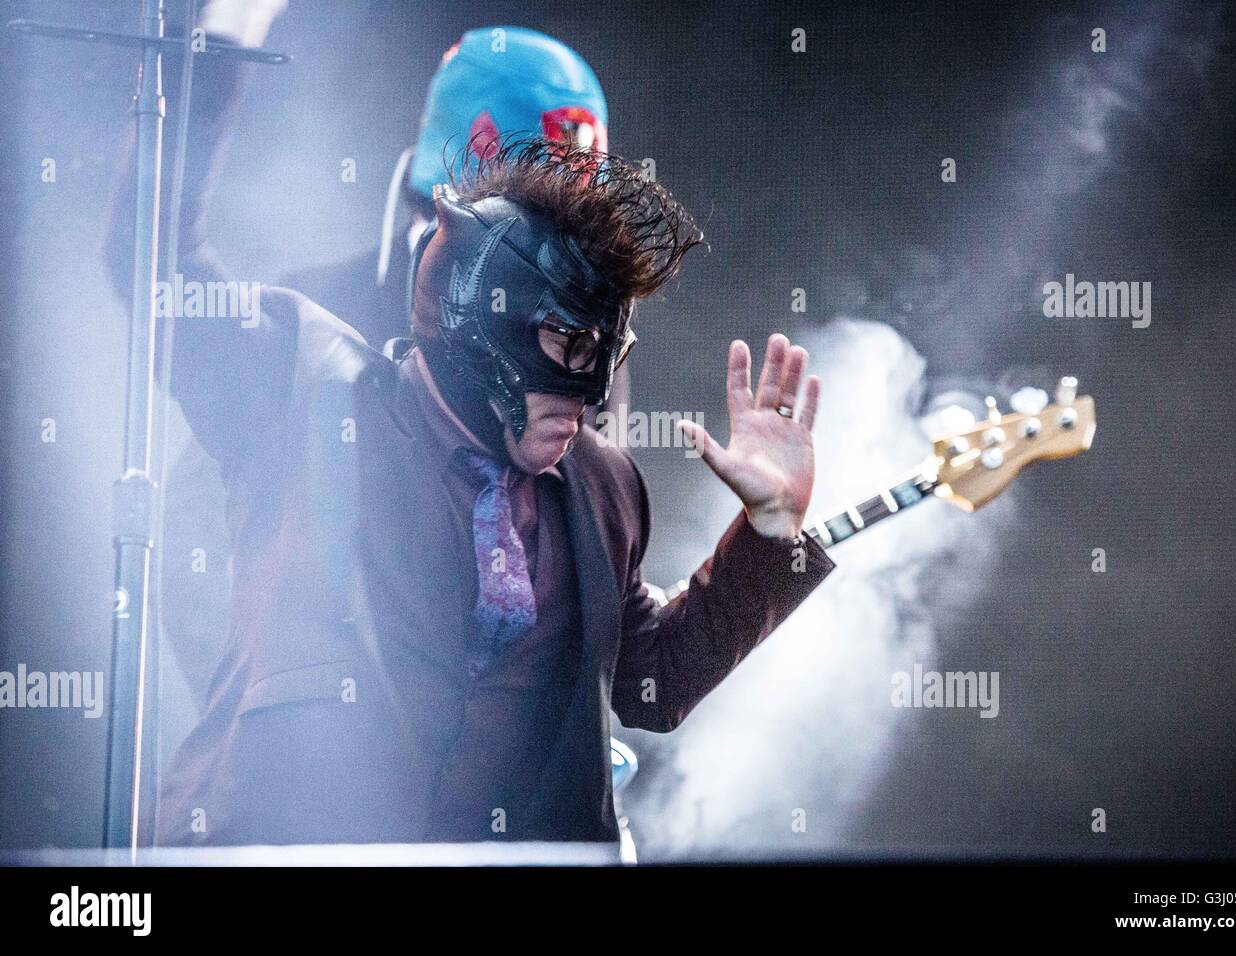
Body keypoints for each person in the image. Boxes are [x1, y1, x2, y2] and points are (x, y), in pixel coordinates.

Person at [109, 129, 835, 844]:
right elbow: (152, 264)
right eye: (569, 345)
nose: (590, 389)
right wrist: (218, 43)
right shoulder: (308, 397)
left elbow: (654, 684)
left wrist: (770, 531)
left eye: (607, 351)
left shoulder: (603, 487)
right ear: (483, 321)